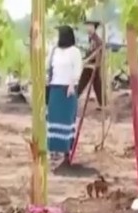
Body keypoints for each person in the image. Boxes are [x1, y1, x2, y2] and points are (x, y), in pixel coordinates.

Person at [46, 25, 83, 161]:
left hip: (67, 89)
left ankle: (66, 150)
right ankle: (53, 150)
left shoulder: (75, 52)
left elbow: (77, 69)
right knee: (53, 118)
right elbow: (48, 67)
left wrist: (72, 84)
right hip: (55, 88)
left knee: (66, 120)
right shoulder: (54, 51)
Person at [77, 20, 104, 109]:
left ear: (93, 27)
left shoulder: (96, 39)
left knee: (82, 83)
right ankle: (102, 103)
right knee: (97, 85)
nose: (87, 27)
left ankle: (73, 99)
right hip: (91, 65)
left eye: (89, 25)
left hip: (92, 65)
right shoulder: (91, 38)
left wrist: (88, 59)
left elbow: (98, 51)